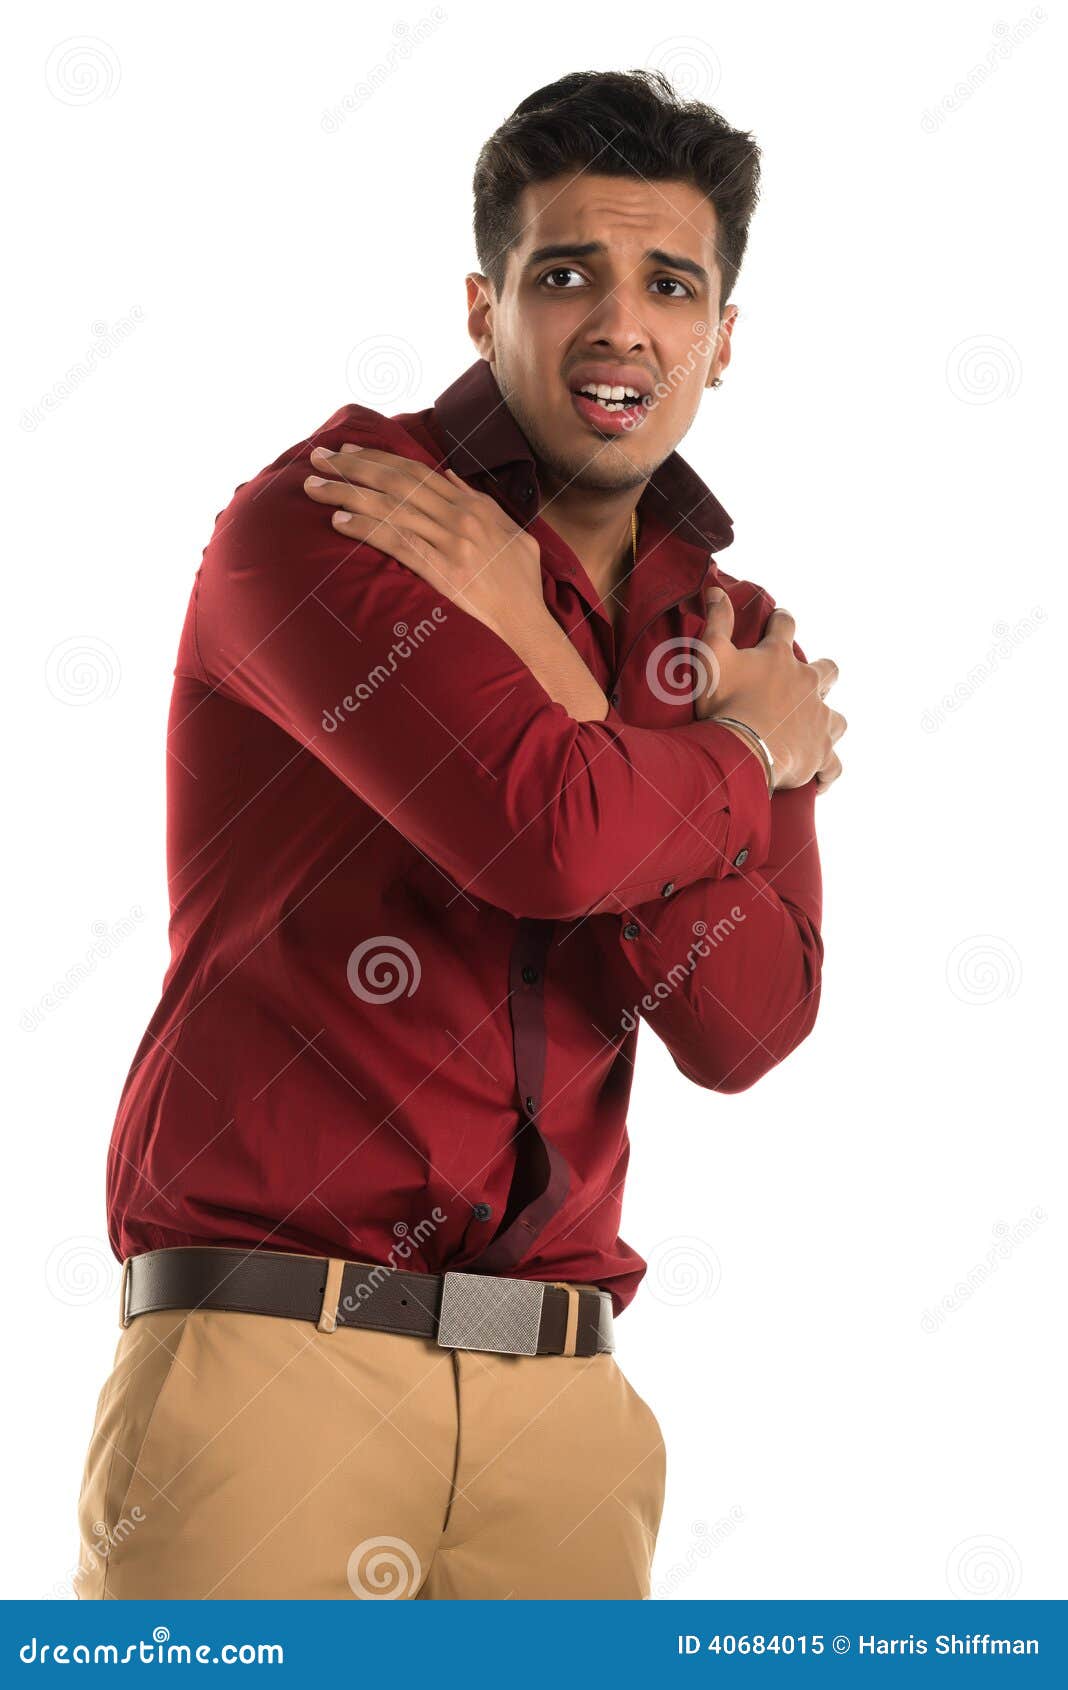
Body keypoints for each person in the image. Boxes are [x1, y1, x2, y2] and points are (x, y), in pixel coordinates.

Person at [74, 68, 845, 1601]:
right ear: (486, 303)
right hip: (274, 1361)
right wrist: (746, 760)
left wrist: (578, 678)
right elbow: (545, 840)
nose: (620, 322)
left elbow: (746, 1020)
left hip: (566, 1412)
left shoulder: (723, 632)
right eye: (568, 274)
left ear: (722, 340)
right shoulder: (342, 512)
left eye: (670, 284)